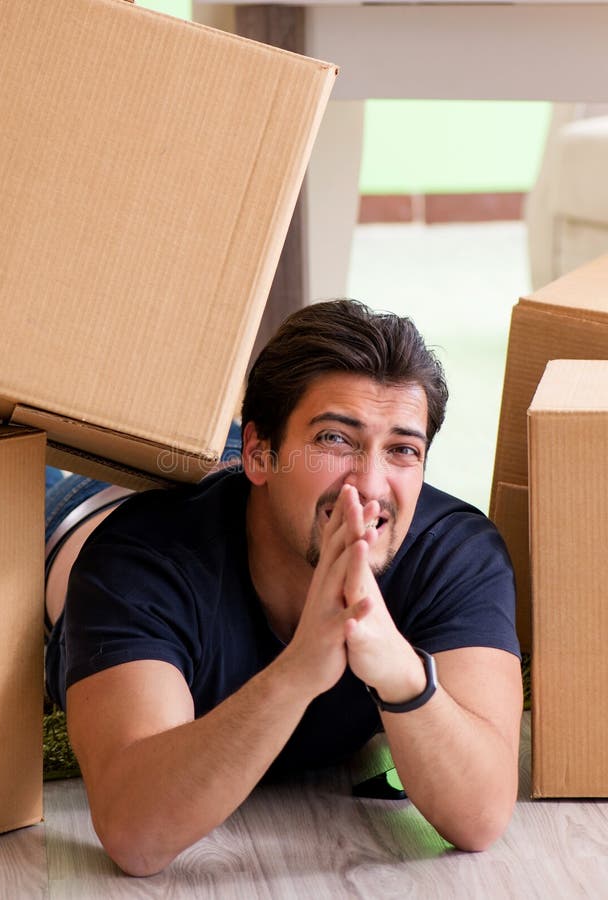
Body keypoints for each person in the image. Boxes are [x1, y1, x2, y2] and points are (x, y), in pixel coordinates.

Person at [44, 298, 522, 877]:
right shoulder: (141, 559)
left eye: (402, 449)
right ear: (258, 452)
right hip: (90, 510)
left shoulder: (456, 552)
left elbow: (482, 815)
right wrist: (300, 669)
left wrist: (399, 668)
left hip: (267, 471)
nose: (370, 487)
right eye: (336, 440)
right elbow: (135, 835)